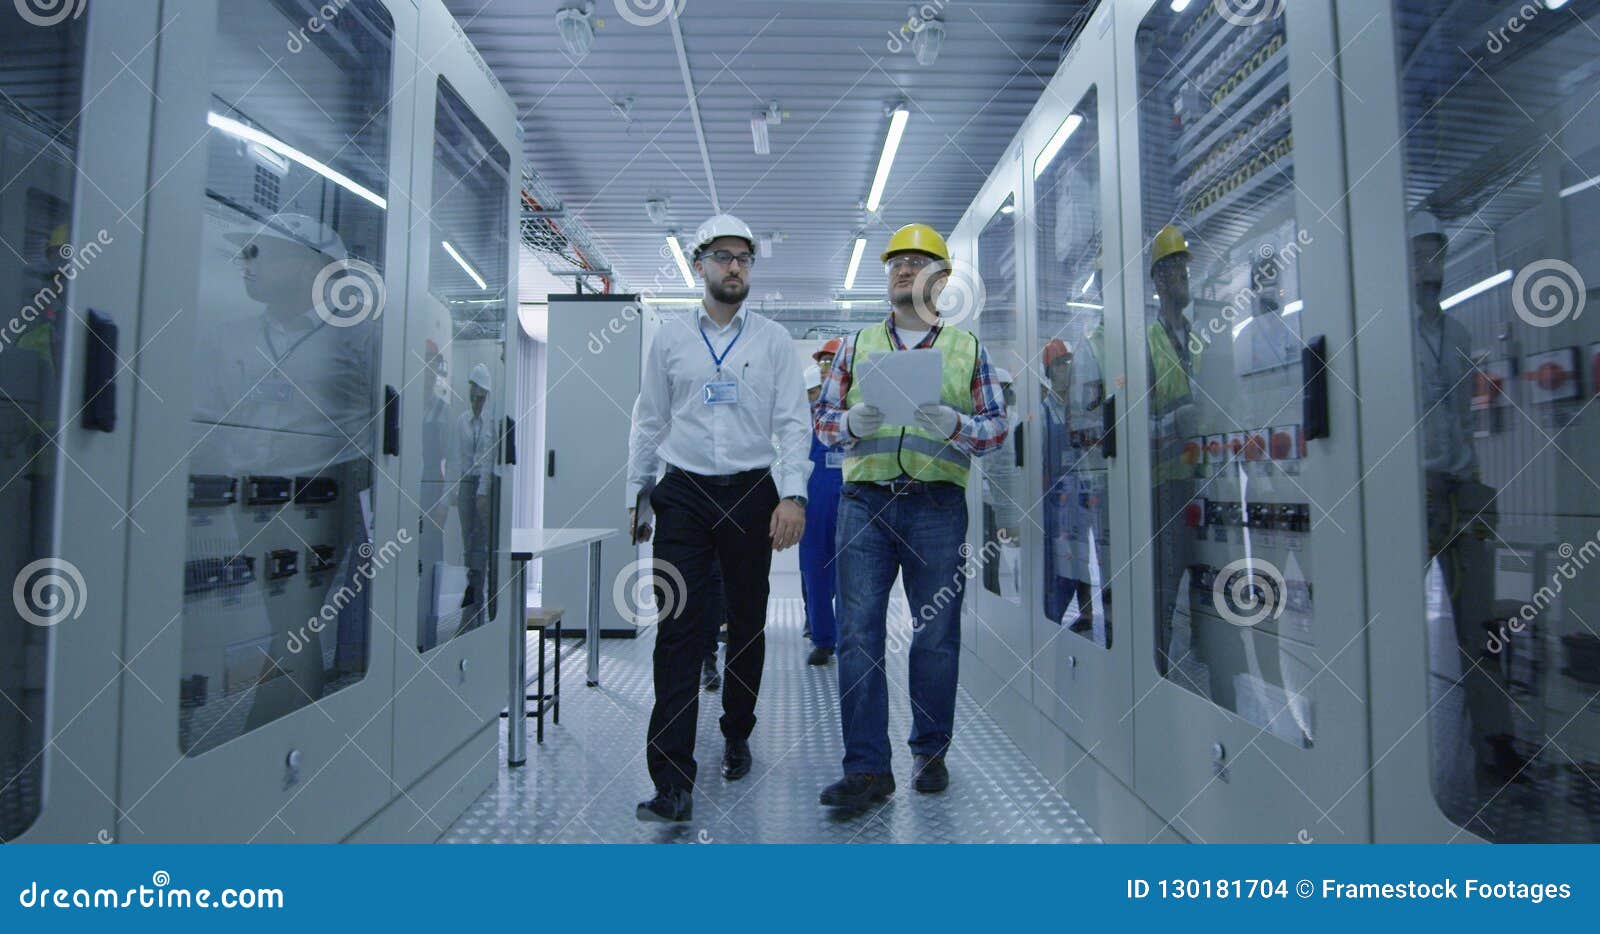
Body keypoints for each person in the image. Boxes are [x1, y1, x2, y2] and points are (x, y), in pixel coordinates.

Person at [814, 223, 1009, 808]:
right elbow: (822, 419)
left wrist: (959, 426)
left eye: (919, 262)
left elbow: (997, 428)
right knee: (857, 635)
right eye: (896, 261)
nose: (903, 269)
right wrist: (847, 425)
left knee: (936, 636)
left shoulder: (968, 349)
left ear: (942, 279)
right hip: (865, 506)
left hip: (937, 508)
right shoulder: (855, 344)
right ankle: (868, 769)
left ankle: (930, 751)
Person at [627, 213, 812, 822]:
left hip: (752, 491)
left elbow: (792, 423)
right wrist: (640, 490)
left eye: (745, 258)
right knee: (679, 625)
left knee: (747, 620)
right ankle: (672, 779)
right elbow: (649, 417)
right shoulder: (672, 339)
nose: (735, 267)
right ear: (701, 265)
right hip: (681, 491)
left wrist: (793, 495)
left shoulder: (774, 341)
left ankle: (737, 730)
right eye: (724, 257)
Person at [1410, 211, 1527, 784]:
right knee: (1392, 618)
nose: (1432, 269)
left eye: (1438, 256)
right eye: (1421, 256)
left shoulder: (1458, 334)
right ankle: (1389, 738)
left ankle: (1495, 740)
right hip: (1410, 492)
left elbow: (1461, 415)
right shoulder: (1388, 329)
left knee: (1481, 622)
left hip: (1464, 486)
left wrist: (1475, 479)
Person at [1147, 225, 1203, 690]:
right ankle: (1157, 676)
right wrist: (1173, 424)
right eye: (1177, 268)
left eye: (1186, 266)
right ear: (1160, 278)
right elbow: (1129, 431)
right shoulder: (1147, 343)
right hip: (1165, 485)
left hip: (1205, 480)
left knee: (1206, 582)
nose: (1185, 276)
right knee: (1165, 588)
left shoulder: (1200, 339)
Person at [798, 363, 844, 666]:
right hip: (814, 503)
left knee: (853, 574)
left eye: (818, 392)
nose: (815, 399)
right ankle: (823, 639)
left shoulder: (854, 414)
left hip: (853, 499)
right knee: (815, 571)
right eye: (810, 394)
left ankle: (849, 635)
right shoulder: (802, 421)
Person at [454, 363, 495, 635]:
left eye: (480, 395)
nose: (476, 400)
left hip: (483, 489)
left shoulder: (491, 423)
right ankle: (471, 609)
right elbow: (459, 457)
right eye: (472, 395)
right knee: (469, 548)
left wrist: (482, 493)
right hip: (466, 486)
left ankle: (486, 609)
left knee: (484, 547)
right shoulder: (462, 421)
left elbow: (488, 459)